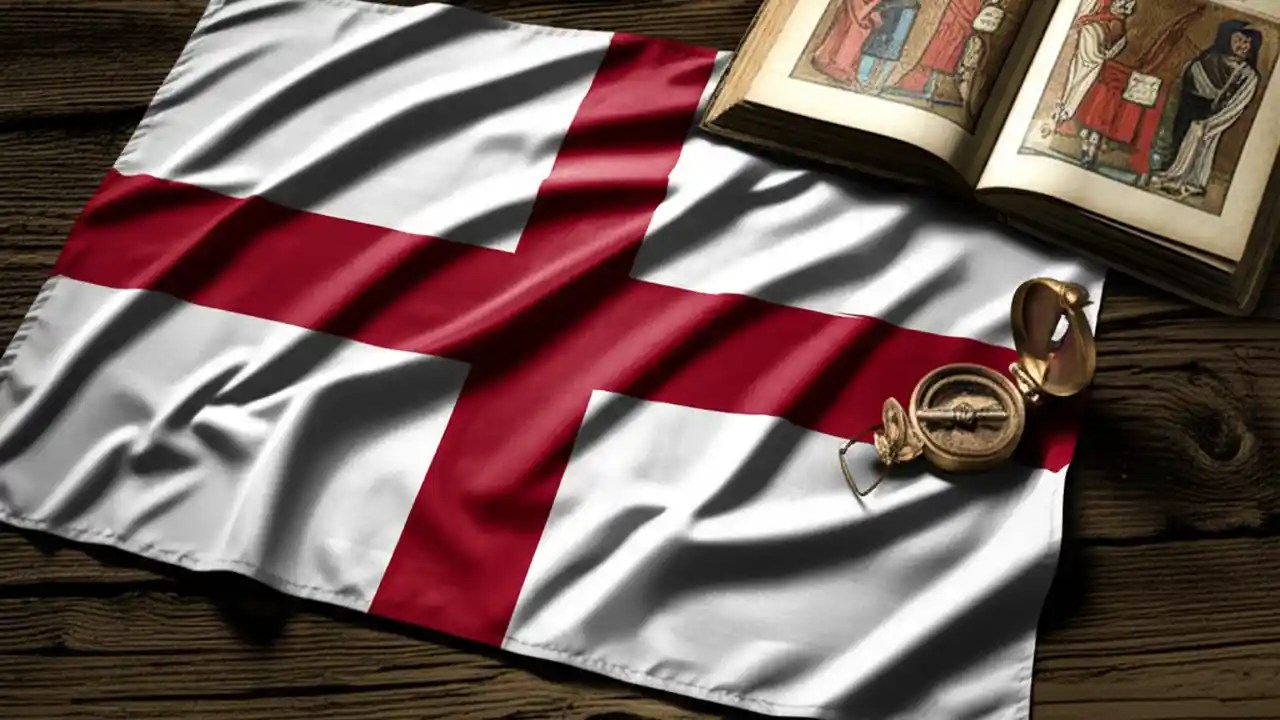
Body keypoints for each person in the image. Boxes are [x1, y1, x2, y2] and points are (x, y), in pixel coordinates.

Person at [1151, 21, 1262, 199]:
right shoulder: (1208, 59)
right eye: (1239, 40)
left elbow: (1237, 104)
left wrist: (1211, 123)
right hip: (1188, 107)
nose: (1244, 46)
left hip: (1211, 117)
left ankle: (1190, 182)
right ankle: (1170, 172)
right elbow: (1188, 78)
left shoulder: (1247, 75)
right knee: (1177, 139)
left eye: (1248, 42)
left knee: (1199, 147)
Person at [1051, 0, 1137, 167]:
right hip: (1093, 67)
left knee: (1093, 127)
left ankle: (1087, 154)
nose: (1127, 10)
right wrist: (1108, 53)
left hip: (1099, 89)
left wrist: (1111, 52)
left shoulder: (1116, 24)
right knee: (1078, 83)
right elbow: (1095, 58)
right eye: (1124, 5)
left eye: (1128, 7)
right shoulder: (1103, 24)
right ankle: (1068, 122)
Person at [812, 0, 885, 86]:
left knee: (853, 42)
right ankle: (835, 65)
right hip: (855, 15)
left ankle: (842, 67)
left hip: (862, 21)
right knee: (843, 38)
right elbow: (860, 17)